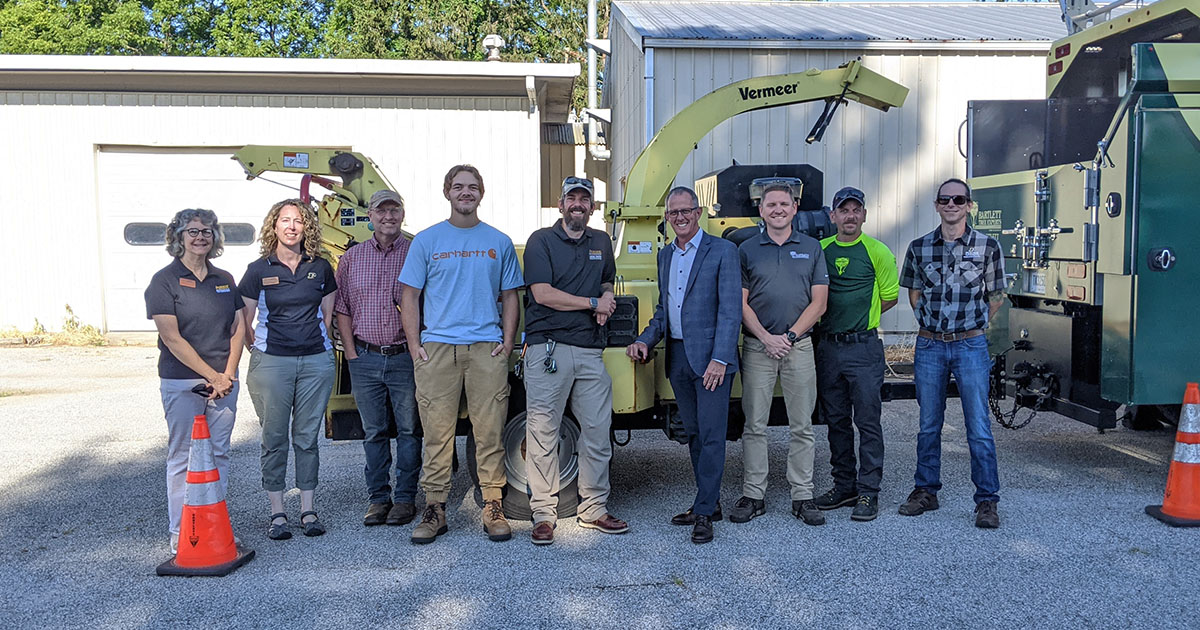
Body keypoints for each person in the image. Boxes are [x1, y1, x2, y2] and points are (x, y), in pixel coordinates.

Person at [399, 165, 523, 545]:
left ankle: (493, 504)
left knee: (489, 433)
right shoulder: (427, 240)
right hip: (436, 349)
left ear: (481, 194)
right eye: (458, 187)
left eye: (472, 187)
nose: (465, 193)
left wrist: (507, 342)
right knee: (437, 434)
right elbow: (409, 296)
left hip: (486, 348)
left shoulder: (498, 241)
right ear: (447, 192)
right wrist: (414, 344)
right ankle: (435, 508)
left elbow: (511, 296)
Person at [628, 186, 741, 545]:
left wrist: (720, 358)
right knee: (693, 434)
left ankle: (705, 512)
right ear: (667, 218)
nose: (679, 217)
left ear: (698, 212)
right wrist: (645, 340)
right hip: (679, 359)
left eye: (685, 211)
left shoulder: (723, 251)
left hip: (711, 361)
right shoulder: (665, 256)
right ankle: (708, 501)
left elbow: (729, 310)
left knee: (711, 436)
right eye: (673, 213)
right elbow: (665, 310)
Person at [523, 176, 628, 546]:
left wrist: (607, 298)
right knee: (543, 434)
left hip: (589, 350)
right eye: (572, 198)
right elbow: (542, 293)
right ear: (560, 204)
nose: (578, 205)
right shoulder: (541, 241)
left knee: (598, 432)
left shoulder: (601, 241)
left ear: (593, 207)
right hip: (547, 348)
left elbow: (606, 281)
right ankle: (543, 515)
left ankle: (594, 509)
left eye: (585, 199)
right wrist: (592, 304)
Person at [898, 177, 1007, 529]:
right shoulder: (919, 247)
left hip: (970, 345)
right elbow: (914, 294)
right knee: (929, 423)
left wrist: (970, 327)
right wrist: (932, 325)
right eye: (945, 199)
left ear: (969, 206)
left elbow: (996, 297)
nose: (951, 204)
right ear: (936, 205)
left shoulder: (988, 246)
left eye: (959, 199)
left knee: (978, 426)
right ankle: (926, 491)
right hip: (930, 344)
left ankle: (987, 501)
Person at [146, 209, 245, 554]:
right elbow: (172, 338)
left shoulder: (224, 279)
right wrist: (212, 375)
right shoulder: (164, 281)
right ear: (178, 237)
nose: (200, 237)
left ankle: (215, 528)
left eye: (206, 231)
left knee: (219, 454)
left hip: (223, 385)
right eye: (193, 231)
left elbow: (238, 328)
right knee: (183, 457)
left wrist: (228, 374)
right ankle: (181, 535)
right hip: (182, 382)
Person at [240, 198, 338, 540]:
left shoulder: (321, 268)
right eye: (285, 220)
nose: (292, 226)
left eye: (298, 220)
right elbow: (245, 320)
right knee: (274, 438)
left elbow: (327, 316)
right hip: (273, 363)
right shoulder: (258, 270)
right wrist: (258, 348)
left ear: (306, 227)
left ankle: (308, 510)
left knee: (306, 438)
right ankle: (278, 513)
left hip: (315, 362)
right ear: (275, 226)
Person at [732, 184, 829, 527]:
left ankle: (802, 495)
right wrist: (766, 338)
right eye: (770, 204)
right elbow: (740, 303)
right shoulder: (746, 250)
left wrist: (788, 337)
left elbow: (819, 302)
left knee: (801, 425)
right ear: (761, 210)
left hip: (798, 347)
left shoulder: (812, 248)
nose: (777, 209)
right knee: (754, 425)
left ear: (795, 208)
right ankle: (753, 495)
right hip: (758, 348)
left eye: (783, 204)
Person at [334, 190, 422, 528]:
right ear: (369, 216)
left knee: (409, 431)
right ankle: (378, 499)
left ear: (402, 214)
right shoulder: (352, 258)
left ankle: (404, 499)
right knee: (373, 432)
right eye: (381, 210)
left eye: (394, 210)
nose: (388, 216)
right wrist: (353, 354)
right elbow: (342, 309)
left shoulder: (416, 252)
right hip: (366, 358)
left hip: (404, 357)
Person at [812, 187, 899, 522]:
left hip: (863, 348)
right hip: (828, 348)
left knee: (867, 421)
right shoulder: (820, 251)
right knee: (836, 421)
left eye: (856, 210)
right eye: (843, 210)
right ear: (832, 216)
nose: (850, 216)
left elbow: (889, 297)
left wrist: (862, 319)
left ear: (864, 215)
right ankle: (843, 485)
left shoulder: (877, 251)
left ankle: (868, 492)